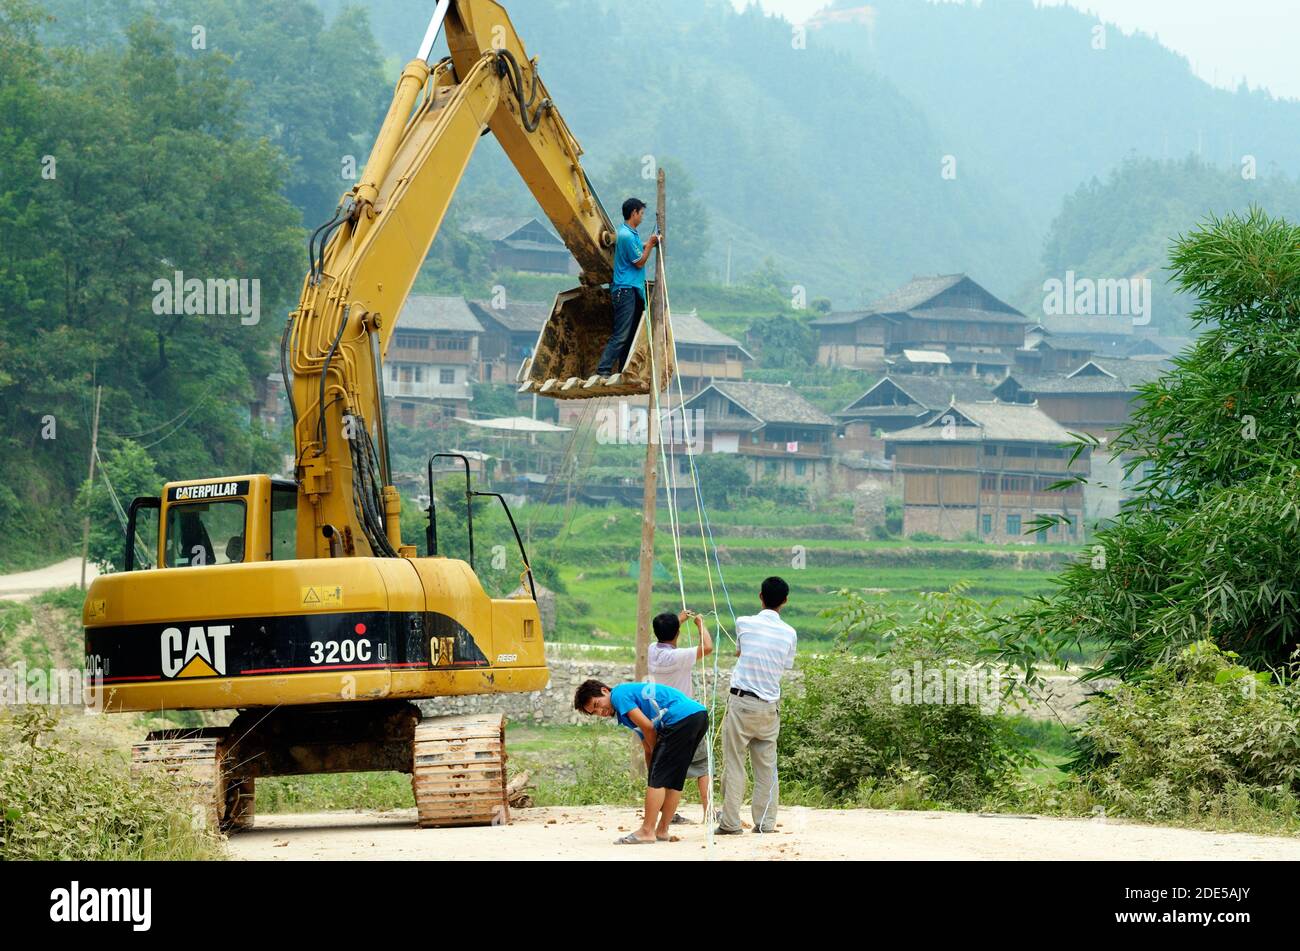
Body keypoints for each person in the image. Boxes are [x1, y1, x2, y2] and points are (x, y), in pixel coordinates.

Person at [574, 679, 708, 844]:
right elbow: (647, 744)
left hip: (680, 718)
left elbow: (649, 728)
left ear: (604, 691)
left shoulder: (618, 695)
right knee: (674, 779)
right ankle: (662, 830)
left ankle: (647, 831)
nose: (600, 711)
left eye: (597, 704)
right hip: (697, 716)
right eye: (594, 712)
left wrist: (657, 771)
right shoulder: (626, 709)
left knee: (660, 778)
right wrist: (653, 770)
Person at [716, 577, 797, 836]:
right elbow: (784, 665)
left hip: (742, 703)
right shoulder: (790, 633)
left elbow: (741, 652)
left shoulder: (744, 623)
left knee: (735, 763)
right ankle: (765, 824)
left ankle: (730, 823)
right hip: (769, 708)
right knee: (766, 768)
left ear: (760, 596)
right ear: (785, 601)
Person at [647, 609, 714, 824]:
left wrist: (680, 620)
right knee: (702, 764)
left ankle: (668, 812)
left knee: (666, 766)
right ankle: (709, 811)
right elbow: (708, 648)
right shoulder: (678, 656)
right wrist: (700, 624)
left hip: (661, 718)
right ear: (677, 633)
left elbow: (668, 634)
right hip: (685, 717)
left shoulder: (651, 651)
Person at [586, 197, 659, 388]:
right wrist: (650, 245)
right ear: (634, 213)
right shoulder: (625, 235)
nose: (642, 217)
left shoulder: (630, 234)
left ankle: (624, 370)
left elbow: (637, 249)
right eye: (641, 213)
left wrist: (648, 244)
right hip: (625, 290)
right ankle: (603, 370)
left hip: (633, 290)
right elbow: (639, 262)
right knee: (621, 334)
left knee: (631, 334)